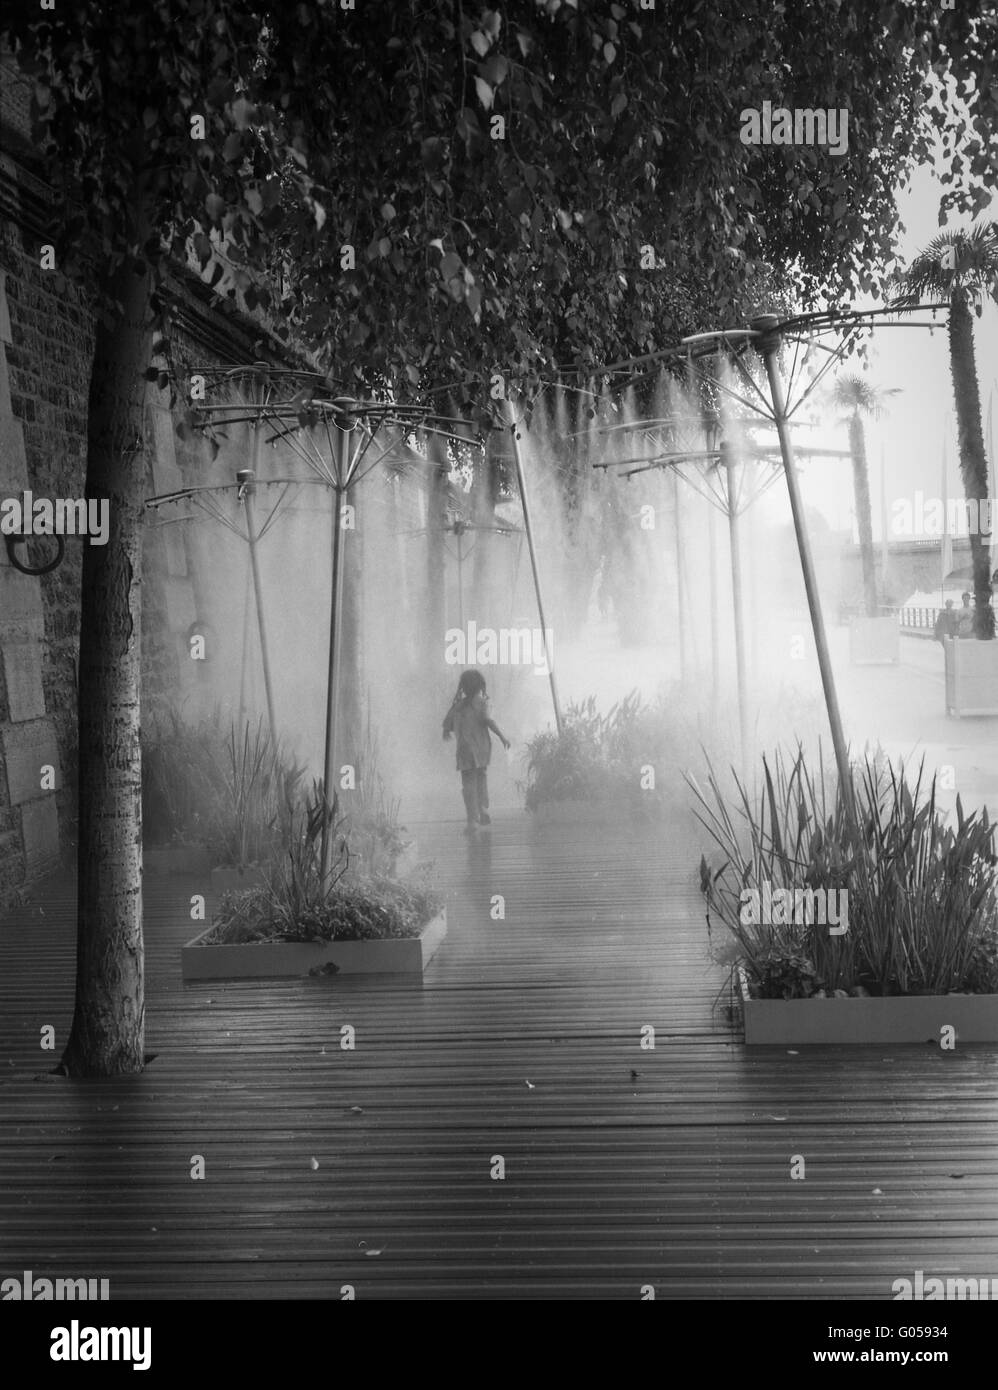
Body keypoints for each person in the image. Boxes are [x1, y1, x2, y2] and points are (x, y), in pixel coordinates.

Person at [442, 669, 510, 833]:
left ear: (463, 688)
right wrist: (502, 736)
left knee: (468, 785)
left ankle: (472, 820)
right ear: (481, 686)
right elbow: (488, 720)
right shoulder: (484, 702)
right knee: (481, 777)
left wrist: (446, 732)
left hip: (465, 750)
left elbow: (447, 724)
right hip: (481, 749)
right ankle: (483, 808)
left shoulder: (458, 706)